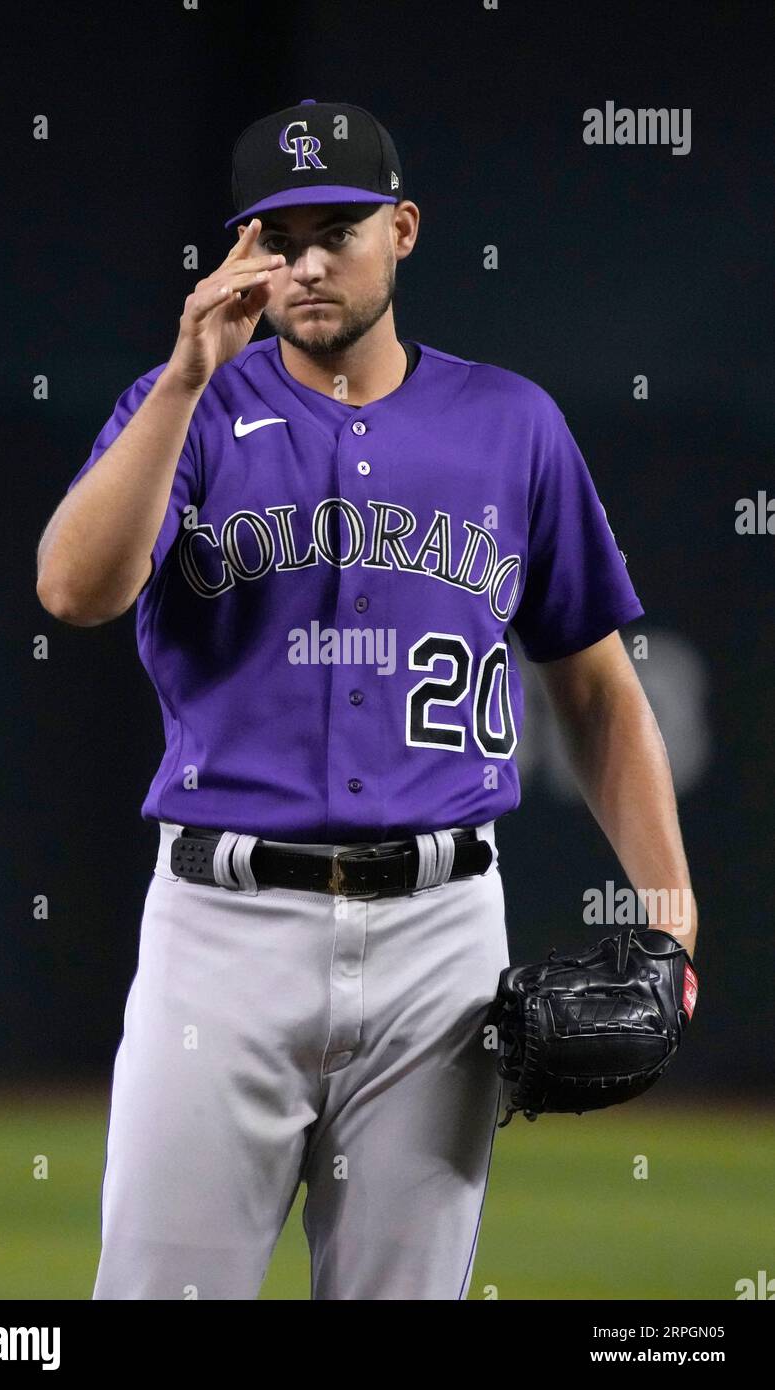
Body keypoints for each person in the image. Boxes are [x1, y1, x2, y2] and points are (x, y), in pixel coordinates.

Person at [35, 99, 698, 1301]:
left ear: (401, 229)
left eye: (333, 227)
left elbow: (597, 695)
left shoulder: (512, 425)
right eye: (270, 235)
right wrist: (188, 377)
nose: (301, 261)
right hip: (219, 932)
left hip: (439, 943)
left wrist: (670, 919)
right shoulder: (183, 410)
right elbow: (75, 588)